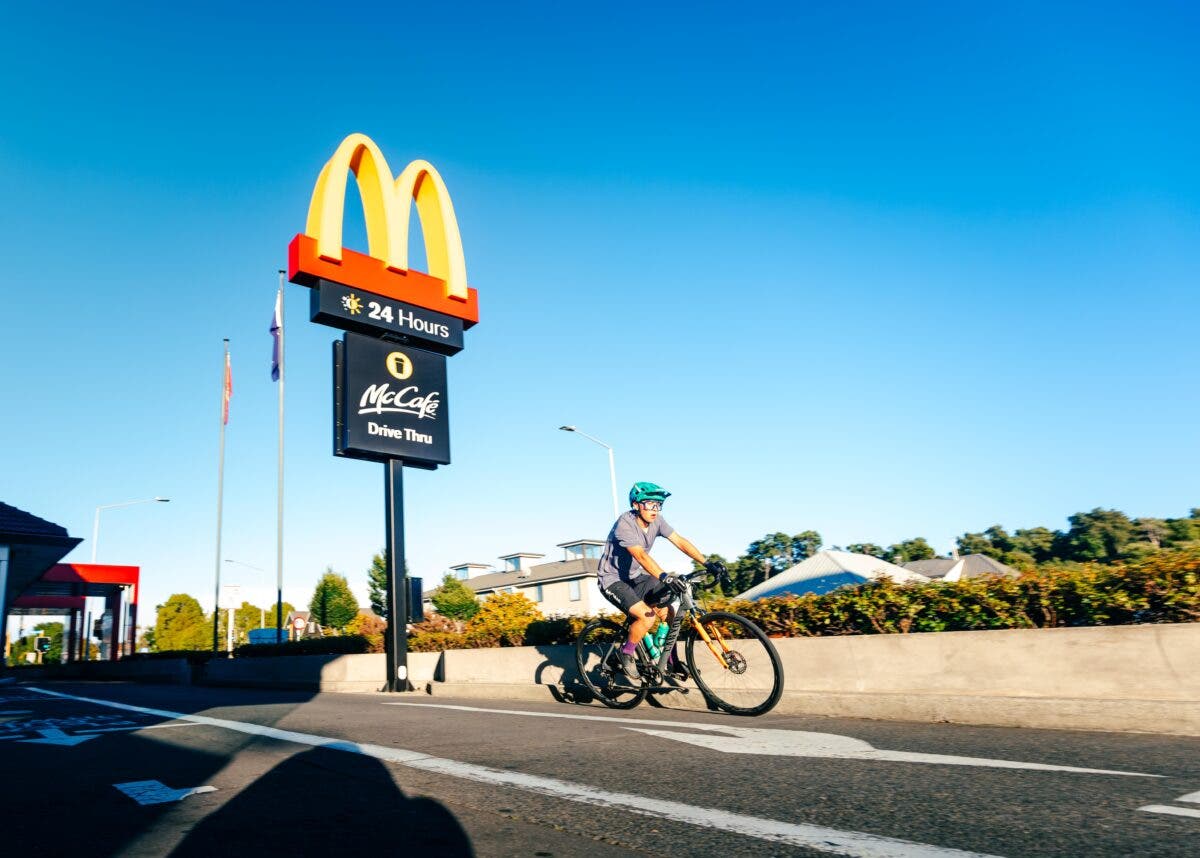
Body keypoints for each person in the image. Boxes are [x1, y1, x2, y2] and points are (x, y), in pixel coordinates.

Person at [596, 481, 724, 681]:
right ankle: (626, 653)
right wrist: (664, 576)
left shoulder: (657, 521)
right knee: (647, 617)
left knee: (669, 612)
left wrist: (707, 563)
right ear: (636, 505)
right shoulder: (625, 524)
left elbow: (680, 541)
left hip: (636, 577)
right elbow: (641, 556)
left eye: (658, 505)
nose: (655, 509)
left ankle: (670, 661)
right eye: (649, 504)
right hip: (612, 580)